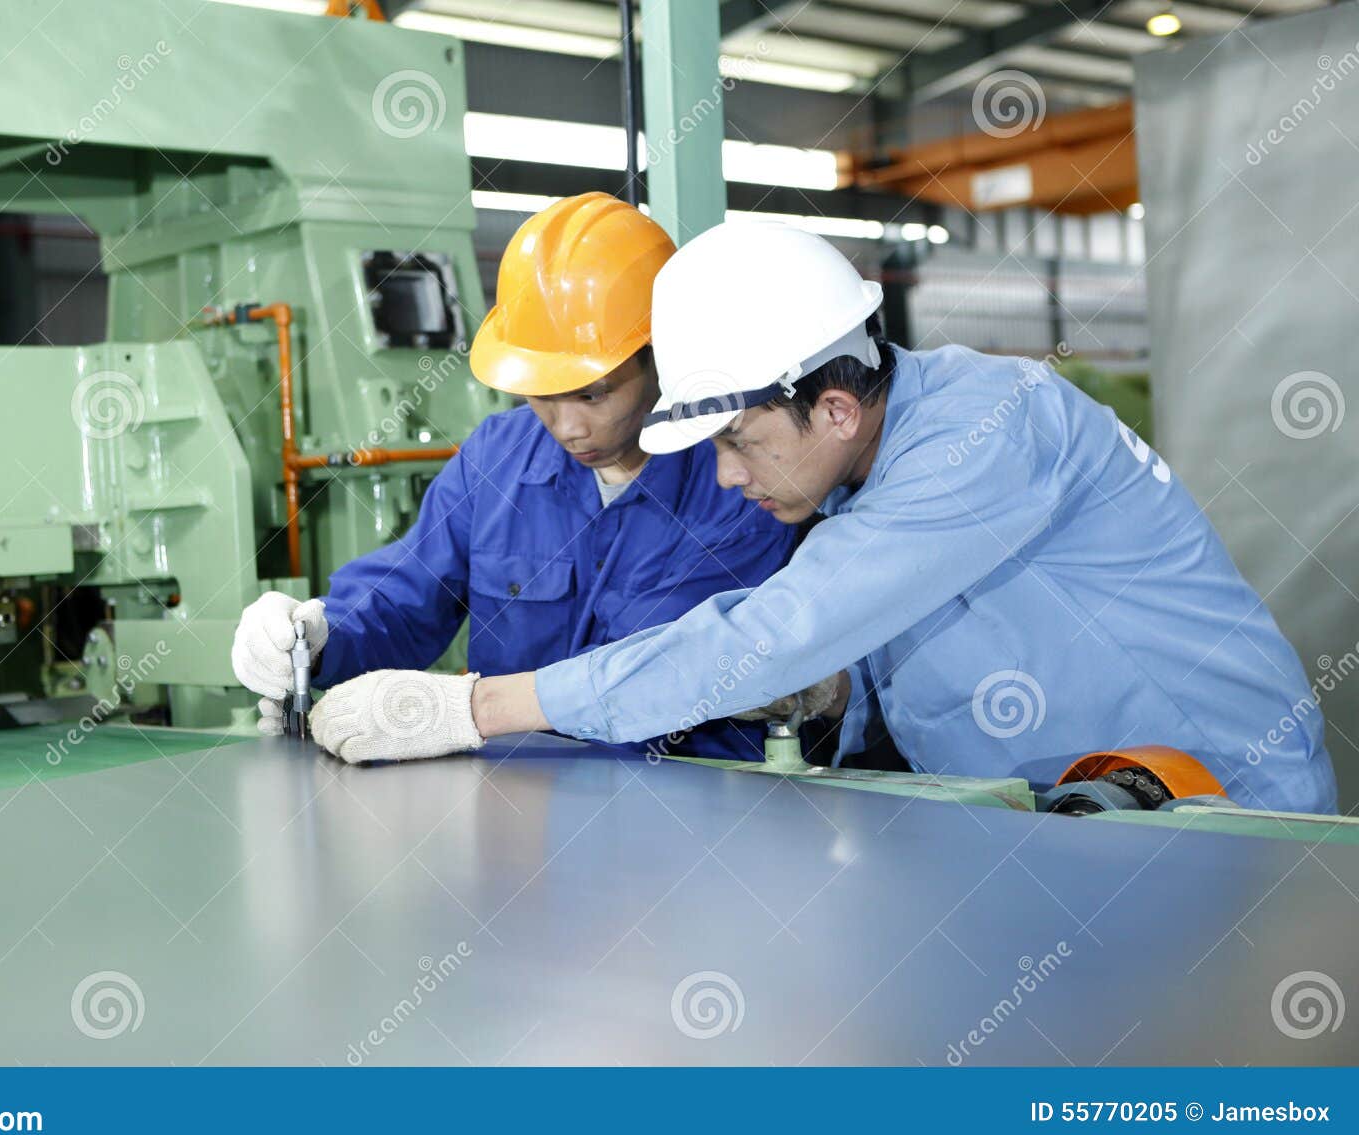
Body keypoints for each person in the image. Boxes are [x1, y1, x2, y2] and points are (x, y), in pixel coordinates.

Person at [309, 220, 1337, 815]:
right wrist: (835, 697)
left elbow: (768, 632)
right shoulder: (859, 460)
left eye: (736, 442)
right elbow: (867, 636)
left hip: (1216, 813)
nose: (720, 477)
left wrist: (474, 707)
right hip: (1058, 821)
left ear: (833, 406)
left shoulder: (985, 431)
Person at [232, 195, 793, 759]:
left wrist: (472, 709)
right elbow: (407, 594)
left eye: (593, 393)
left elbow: (682, 669)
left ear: (661, 355)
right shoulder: (497, 458)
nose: (567, 427)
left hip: (692, 810)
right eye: (542, 393)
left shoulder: (741, 482)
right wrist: (322, 637)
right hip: (515, 810)